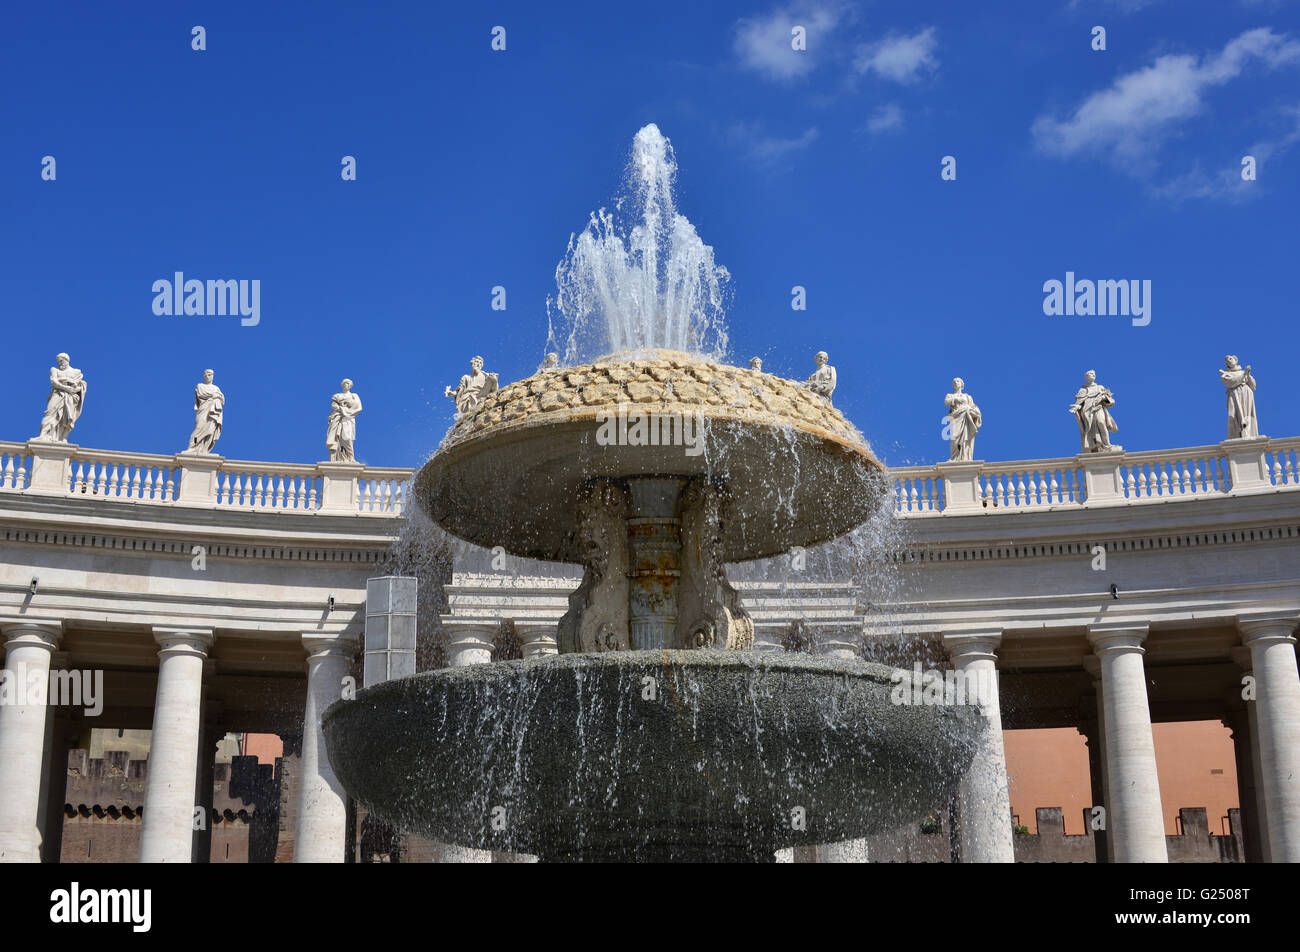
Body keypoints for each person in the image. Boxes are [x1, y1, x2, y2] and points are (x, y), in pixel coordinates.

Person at [36, 353, 87, 442]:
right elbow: (53, 382)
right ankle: (44, 435)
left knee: (66, 418)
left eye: (61, 361)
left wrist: (75, 389)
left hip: (70, 397)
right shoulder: (54, 370)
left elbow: (80, 386)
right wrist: (67, 388)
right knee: (50, 413)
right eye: (59, 361)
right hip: (58, 394)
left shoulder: (76, 372)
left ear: (67, 360)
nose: (60, 363)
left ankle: (61, 438)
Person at [1068, 370, 1118, 453]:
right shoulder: (1082, 390)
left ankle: (1107, 444)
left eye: (1094, 374)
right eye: (1091, 374)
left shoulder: (1100, 387)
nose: (1093, 375)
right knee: (1091, 429)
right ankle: (1095, 445)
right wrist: (1077, 406)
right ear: (1086, 377)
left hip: (1098, 408)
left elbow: (1111, 400)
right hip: (1087, 411)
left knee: (1101, 423)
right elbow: (1080, 402)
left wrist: (1103, 398)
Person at [1219, 355, 1259, 439]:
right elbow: (1230, 382)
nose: (1229, 361)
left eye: (1230, 358)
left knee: (1247, 414)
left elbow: (1253, 386)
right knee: (1233, 415)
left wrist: (1248, 375)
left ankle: (1248, 432)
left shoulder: (1243, 372)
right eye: (1227, 360)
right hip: (1234, 395)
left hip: (1246, 394)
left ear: (1236, 360)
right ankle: (1236, 435)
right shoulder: (1225, 374)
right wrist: (1244, 374)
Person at [186, 369, 225, 454]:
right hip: (203, 409)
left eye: (210, 374)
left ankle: (204, 450)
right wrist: (214, 396)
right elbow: (201, 394)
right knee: (198, 429)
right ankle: (193, 446)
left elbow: (222, 399)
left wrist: (217, 397)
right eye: (206, 374)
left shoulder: (216, 388)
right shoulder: (200, 386)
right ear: (204, 376)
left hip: (213, 412)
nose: (208, 376)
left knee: (210, 431)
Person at [944, 378, 982, 461]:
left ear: (962, 384)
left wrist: (973, 411)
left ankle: (964, 457)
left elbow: (974, 407)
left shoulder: (968, 397)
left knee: (965, 437)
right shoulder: (950, 395)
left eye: (958, 381)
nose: (956, 383)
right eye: (954, 382)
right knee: (954, 438)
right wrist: (956, 399)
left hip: (965, 416)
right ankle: (955, 457)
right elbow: (946, 402)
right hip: (955, 417)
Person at [326, 379, 363, 462]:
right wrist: (342, 409)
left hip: (349, 419)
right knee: (339, 439)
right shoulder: (337, 396)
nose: (347, 385)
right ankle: (340, 458)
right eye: (346, 383)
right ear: (342, 385)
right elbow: (334, 406)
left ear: (350, 386)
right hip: (338, 418)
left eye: (349, 384)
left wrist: (347, 412)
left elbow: (359, 408)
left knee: (347, 438)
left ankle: (350, 457)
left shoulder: (354, 395)